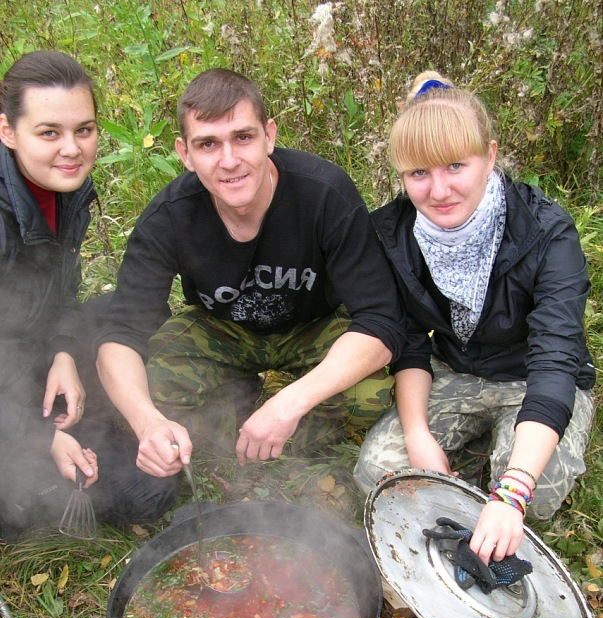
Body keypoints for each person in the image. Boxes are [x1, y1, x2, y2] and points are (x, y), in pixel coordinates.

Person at [95, 67, 405, 478]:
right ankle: (239, 413)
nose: (229, 160)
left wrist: (289, 403)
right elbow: (120, 334)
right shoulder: (168, 219)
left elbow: (382, 323)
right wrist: (148, 423)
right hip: (222, 329)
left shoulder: (324, 193)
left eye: (243, 137)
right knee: (144, 391)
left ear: (269, 136)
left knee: (373, 394)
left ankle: (268, 432)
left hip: (314, 327)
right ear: (184, 154)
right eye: (207, 144)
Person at [354, 71, 595, 565]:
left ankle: (501, 461)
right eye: (418, 173)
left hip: (532, 377)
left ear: (489, 155)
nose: (438, 190)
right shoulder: (392, 235)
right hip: (453, 371)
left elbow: (556, 359)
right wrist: (418, 434)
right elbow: (410, 343)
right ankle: (471, 454)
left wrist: (512, 493)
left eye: (455, 166)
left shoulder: (548, 231)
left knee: (539, 491)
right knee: (377, 468)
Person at [0, 50, 180, 540]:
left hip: (30, 360)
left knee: (133, 315)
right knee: (143, 493)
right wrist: (42, 438)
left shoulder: (65, 191)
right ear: (8, 131)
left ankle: (85, 428)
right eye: (49, 133)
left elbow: (62, 294)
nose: (72, 148)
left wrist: (62, 352)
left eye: (84, 129)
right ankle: (27, 493)